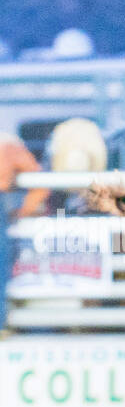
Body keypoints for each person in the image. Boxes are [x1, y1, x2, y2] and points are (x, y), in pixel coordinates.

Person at [0, 134, 48, 334]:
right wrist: (23, 212)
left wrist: (22, 211)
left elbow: (39, 183)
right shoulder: (6, 143)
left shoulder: (6, 143)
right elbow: (40, 182)